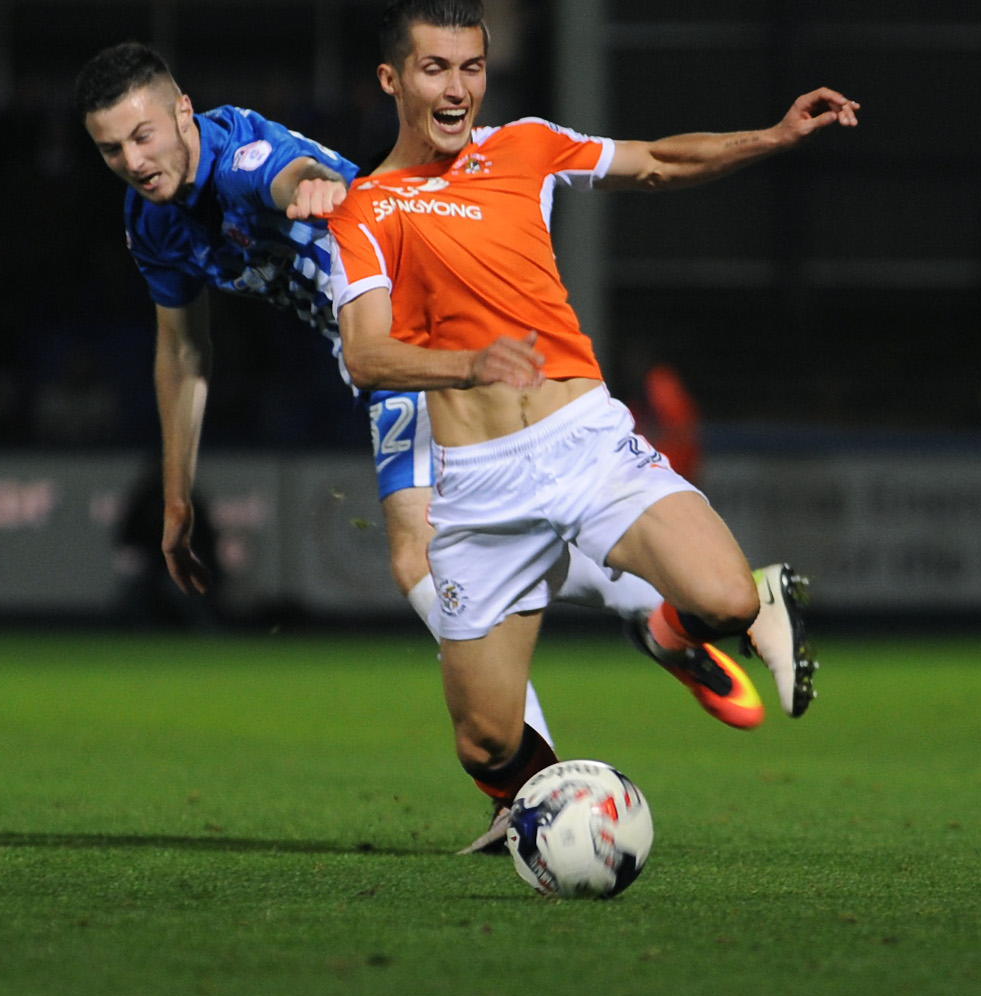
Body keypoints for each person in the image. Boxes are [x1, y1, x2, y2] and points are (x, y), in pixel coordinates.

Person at [74, 44, 683, 843]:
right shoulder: (150, 220)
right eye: (112, 148)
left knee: (422, 558)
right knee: (452, 554)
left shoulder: (243, 151)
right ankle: (650, 607)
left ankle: (535, 778)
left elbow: (285, 177)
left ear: (183, 110)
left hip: (416, 321)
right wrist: (178, 496)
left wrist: (314, 190)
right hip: (386, 344)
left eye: (144, 135)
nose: (133, 160)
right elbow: (184, 352)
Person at [324, 0, 859, 844]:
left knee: (726, 598)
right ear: (393, 80)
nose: (457, 89)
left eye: (472, 67)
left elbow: (655, 162)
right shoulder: (365, 210)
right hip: (480, 491)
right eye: (433, 69)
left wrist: (772, 135)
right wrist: (469, 365)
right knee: (487, 740)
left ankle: (671, 631)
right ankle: (548, 817)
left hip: (587, 445)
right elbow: (364, 352)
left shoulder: (528, 146)